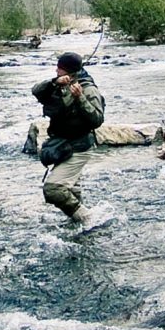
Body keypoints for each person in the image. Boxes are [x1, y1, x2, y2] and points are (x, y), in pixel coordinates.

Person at [31, 51, 105, 220]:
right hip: (62, 145)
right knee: (71, 189)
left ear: (69, 71)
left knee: (53, 189)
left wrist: (80, 98)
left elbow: (97, 120)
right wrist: (54, 82)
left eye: (60, 69)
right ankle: (78, 226)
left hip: (79, 147)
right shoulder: (58, 84)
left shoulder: (89, 90)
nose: (56, 70)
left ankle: (89, 219)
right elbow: (36, 91)